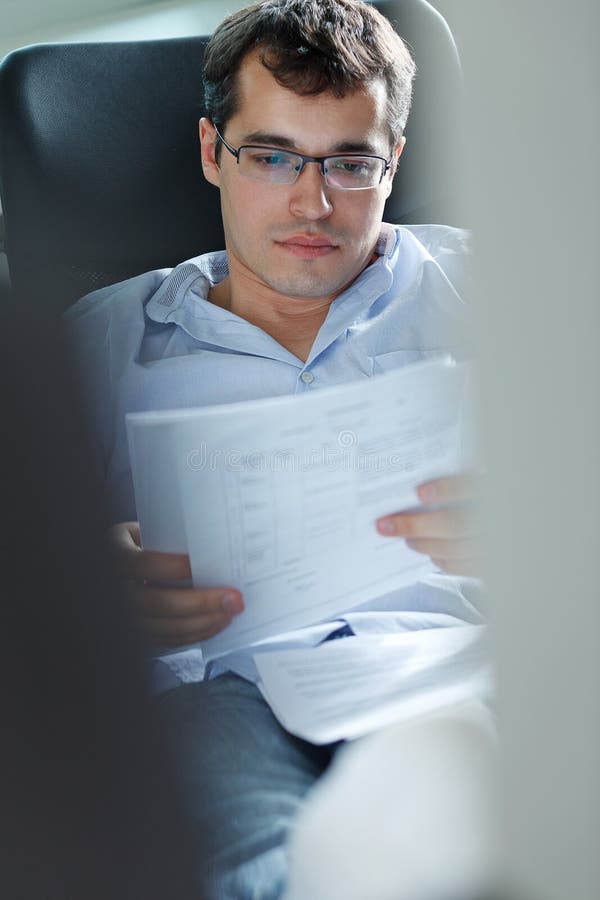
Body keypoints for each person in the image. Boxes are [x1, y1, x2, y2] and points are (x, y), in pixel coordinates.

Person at [65, 1, 480, 897]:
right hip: (222, 698)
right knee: (250, 866)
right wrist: (86, 590)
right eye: (273, 156)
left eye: (351, 164)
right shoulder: (99, 344)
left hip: (443, 671)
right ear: (213, 152)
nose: (312, 202)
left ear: (394, 163)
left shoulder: (496, 289)